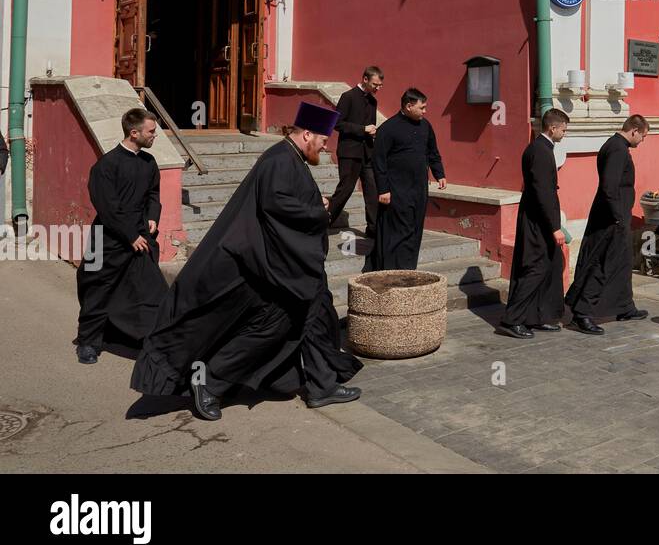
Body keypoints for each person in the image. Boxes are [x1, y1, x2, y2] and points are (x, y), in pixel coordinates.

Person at [131, 102, 362, 421]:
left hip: (288, 265)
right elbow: (276, 206)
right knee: (270, 330)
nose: (326, 146)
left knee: (316, 317)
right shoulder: (280, 160)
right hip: (268, 268)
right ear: (307, 134)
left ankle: (322, 385)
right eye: (323, 140)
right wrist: (318, 212)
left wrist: (313, 202)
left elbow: (286, 200)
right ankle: (209, 382)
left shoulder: (289, 158)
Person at [74, 108, 168, 364]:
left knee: (150, 291)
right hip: (107, 240)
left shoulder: (149, 163)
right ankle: (87, 342)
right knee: (97, 290)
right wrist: (129, 235)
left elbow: (153, 195)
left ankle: (152, 341)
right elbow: (107, 207)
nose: (155, 136)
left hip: (140, 238)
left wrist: (152, 217)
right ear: (133, 132)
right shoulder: (106, 165)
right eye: (151, 131)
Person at [565, 115, 651, 334]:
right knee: (603, 265)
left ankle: (625, 307)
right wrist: (618, 218)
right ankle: (582, 313)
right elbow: (609, 188)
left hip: (617, 216)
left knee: (622, 263)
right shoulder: (617, 150)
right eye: (643, 136)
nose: (642, 141)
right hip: (612, 219)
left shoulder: (614, 145)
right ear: (634, 130)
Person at [498, 109, 569, 339]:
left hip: (540, 219)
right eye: (563, 130)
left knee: (552, 266)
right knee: (535, 268)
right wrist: (554, 227)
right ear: (553, 128)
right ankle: (513, 319)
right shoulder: (540, 152)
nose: (564, 134)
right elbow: (542, 193)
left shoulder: (542, 149)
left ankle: (539, 316)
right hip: (538, 222)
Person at [366, 87, 446, 272]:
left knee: (414, 230)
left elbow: (433, 152)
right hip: (396, 190)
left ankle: (409, 269)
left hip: (418, 189)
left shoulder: (426, 126)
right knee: (398, 232)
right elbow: (378, 162)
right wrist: (383, 189)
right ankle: (392, 270)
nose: (425, 111)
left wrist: (439, 173)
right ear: (409, 106)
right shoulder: (388, 128)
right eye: (422, 107)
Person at [327, 66, 384, 235]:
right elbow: (337, 123)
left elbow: (370, 126)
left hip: (368, 152)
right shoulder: (348, 97)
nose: (378, 88)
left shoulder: (373, 101)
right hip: (349, 152)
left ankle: (373, 229)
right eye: (375, 84)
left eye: (380, 85)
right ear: (365, 79)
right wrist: (363, 129)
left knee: (372, 191)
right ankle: (325, 220)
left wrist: (373, 133)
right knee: (346, 189)